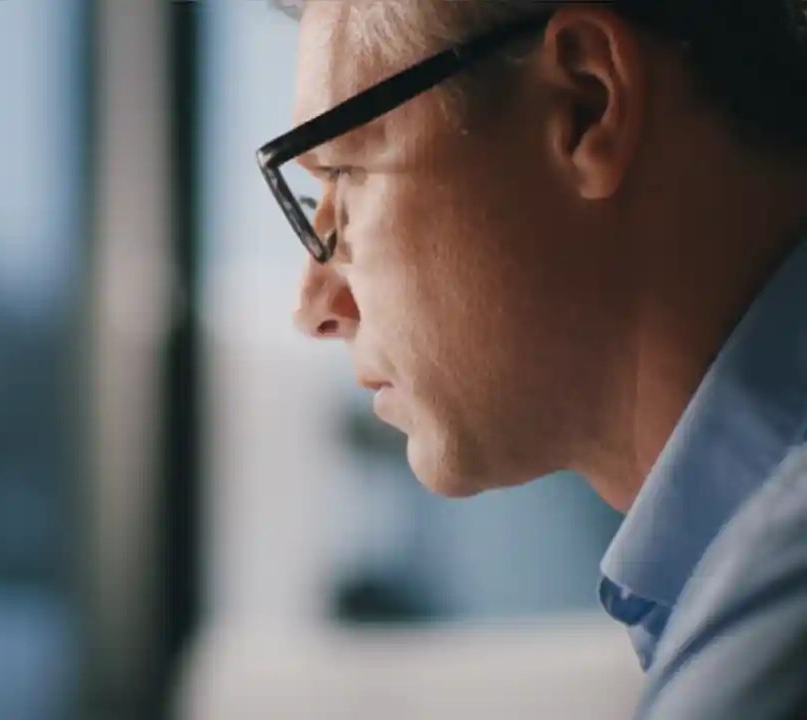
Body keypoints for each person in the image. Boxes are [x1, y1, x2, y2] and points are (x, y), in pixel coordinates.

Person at [262, 1, 807, 717]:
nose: (315, 304)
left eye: (345, 176)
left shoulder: (778, 617)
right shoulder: (740, 584)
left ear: (586, 103)